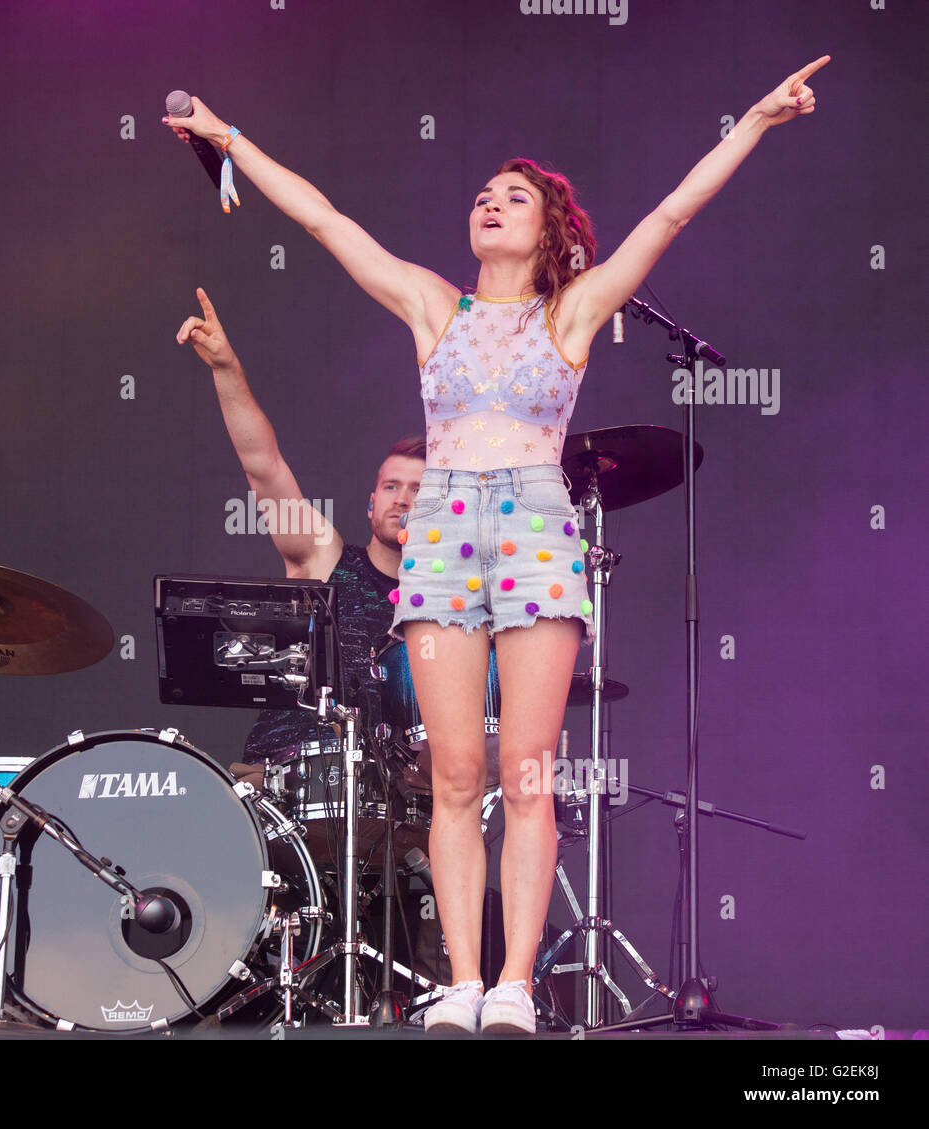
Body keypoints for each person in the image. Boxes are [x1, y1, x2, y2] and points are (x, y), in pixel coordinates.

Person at [166, 55, 829, 1035]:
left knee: (525, 769)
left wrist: (758, 122)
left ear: (549, 229)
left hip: (530, 533)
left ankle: (515, 981)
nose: (488, 203)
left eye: (511, 197)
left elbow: (671, 215)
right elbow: (322, 220)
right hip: (441, 540)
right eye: (482, 194)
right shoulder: (436, 304)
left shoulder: (572, 309)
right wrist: (228, 139)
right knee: (454, 775)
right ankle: (464, 980)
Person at [174, 286, 424, 764]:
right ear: (371, 504)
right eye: (392, 487)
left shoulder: (447, 604)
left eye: (419, 489)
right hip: (282, 775)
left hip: (396, 797)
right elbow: (263, 466)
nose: (404, 499)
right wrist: (227, 369)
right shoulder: (323, 557)